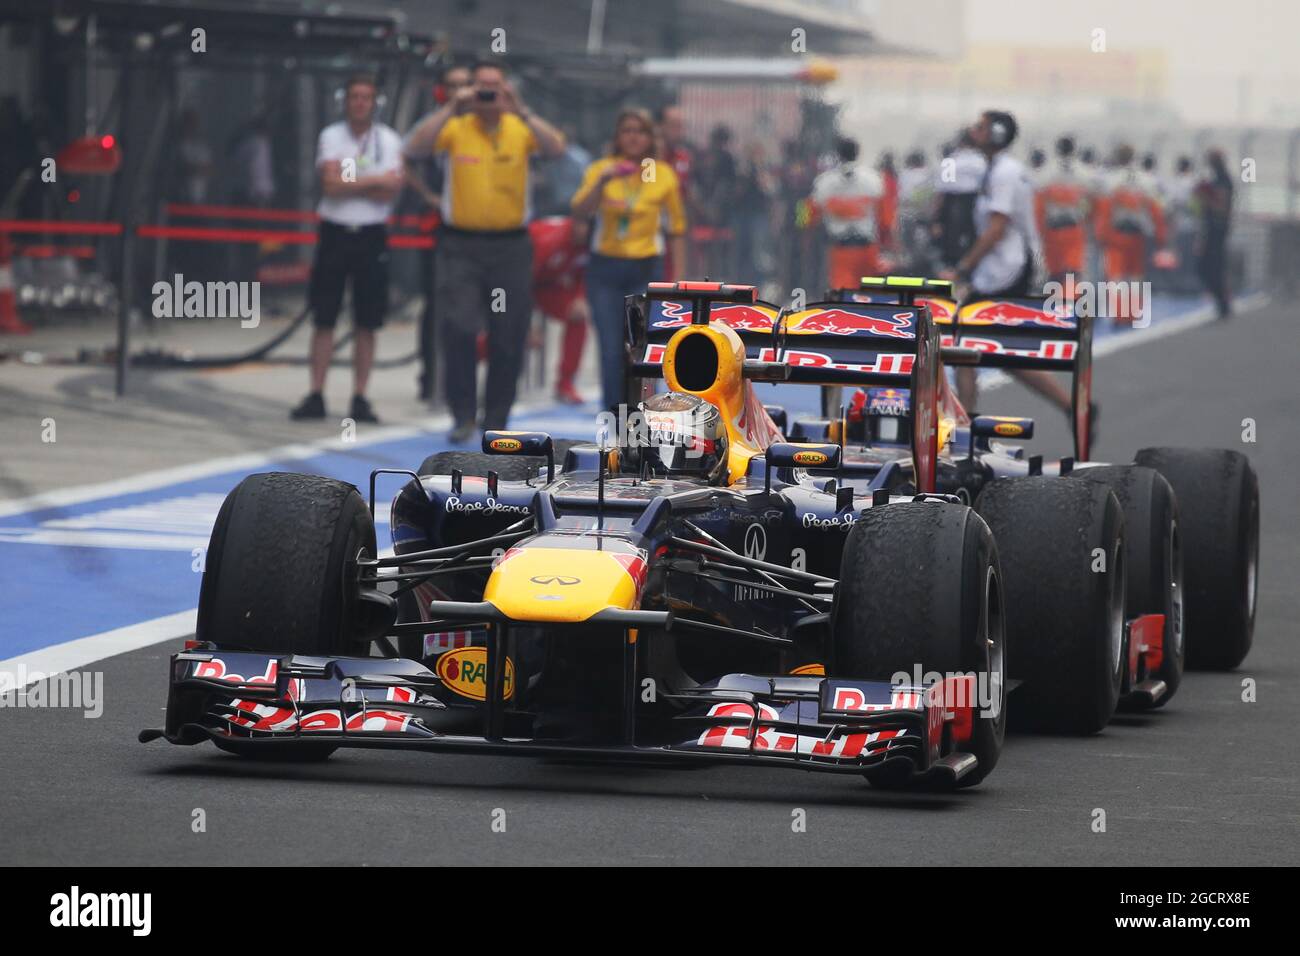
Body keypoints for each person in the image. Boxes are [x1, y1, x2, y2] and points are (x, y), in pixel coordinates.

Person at [404, 60, 565, 441]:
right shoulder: (456, 127)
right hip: (460, 245)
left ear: (506, 89)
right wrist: (451, 106)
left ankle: (496, 418)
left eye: (495, 87)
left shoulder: (519, 128)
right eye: (481, 86)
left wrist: (521, 108)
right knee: (458, 327)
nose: (488, 94)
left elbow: (556, 148)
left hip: (509, 248)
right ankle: (462, 414)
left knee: (508, 332)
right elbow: (415, 147)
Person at [291, 74, 404, 423]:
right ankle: (316, 392)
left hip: (371, 235)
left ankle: (360, 395)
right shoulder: (331, 136)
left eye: (366, 97)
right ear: (346, 100)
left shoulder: (388, 140)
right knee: (324, 315)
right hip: (335, 233)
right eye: (354, 97)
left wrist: (350, 179)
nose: (359, 103)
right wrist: (371, 180)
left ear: (374, 102)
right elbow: (330, 186)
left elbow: (390, 189)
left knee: (366, 320)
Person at [946, 110, 1071, 420]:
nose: (974, 131)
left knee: (964, 340)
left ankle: (964, 424)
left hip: (1008, 268)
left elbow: (996, 228)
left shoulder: (1004, 172)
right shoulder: (995, 169)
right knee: (997, 352)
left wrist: (962, 268)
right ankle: (1071, 407)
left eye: (981, 127)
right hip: (1001, 266)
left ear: (997, 134)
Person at [571, 108, 687, 412]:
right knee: (611, 347)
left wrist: (682, 281)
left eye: (640, 131)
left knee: (643, 346)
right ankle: (613, 411)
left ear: (650, 137)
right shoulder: (602, 169)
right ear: (618, 136)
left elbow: (676, 228)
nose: (633, 137)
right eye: (627, 130)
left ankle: (645, 408)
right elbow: (580, 210)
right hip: (606, 268)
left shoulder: (657, 172)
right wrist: (602, 182)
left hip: (645, 267)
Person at [403, 63, 471, 403]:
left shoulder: (483, 124)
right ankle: (431, 378)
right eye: (452, 85)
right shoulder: (435, 124)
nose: (460, 92)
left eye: (465, 85)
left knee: (478, 307)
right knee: (437, 303)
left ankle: (468, 382)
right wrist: (429, 196)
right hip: (439, 226)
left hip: (477, 226)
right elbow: (407, 155)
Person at [1093, 143, 1167, 323]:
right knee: (1135, 275)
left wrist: (1101, 235)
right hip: (1138, 236)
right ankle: (1133, 313)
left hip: (1116, 235)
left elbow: (1104, 210)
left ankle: (1120, 314)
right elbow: (1156, 211)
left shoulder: (1110, 180)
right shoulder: (1146, 179)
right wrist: (1160, 235)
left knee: (1116, 275)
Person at [809, 137, 888, 291]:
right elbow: (885, 216)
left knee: (842, 295)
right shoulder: (873, 179)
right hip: (868, 248)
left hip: (840, 249)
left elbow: (809, 212)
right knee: (869, 294)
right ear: (857, 153)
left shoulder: (824, 182)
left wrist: (800, 227)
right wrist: (887, 242)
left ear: (838, 154)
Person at [529, 214, 590, 404]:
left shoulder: (589, 242)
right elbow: (521, 282)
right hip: (511, 286)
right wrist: (528, 326)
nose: (584, 230)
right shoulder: (549, 243)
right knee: (507, 330)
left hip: (550, 287)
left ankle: (565, 383)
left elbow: (583, 272)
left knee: (578, 317)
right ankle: (476, 352)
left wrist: (580, 297)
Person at [1034, 135, 1090, 282]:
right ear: (1073, 150)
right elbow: (1092, 200)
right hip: (1074, 228)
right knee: (1074, 270)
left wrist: (1039, 231)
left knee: (1055, 272)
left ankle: (1056, 303)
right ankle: (1072, 302)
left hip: (1052, 229)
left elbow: (1039, 204)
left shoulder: (1045, 172)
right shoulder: (1084, 172)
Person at [932, 128, 986, 273]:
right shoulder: (982, 161)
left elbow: (941, 194)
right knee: (974, 246)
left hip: (952, 207)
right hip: (976, 205)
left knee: (951, 250)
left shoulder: (950, 162)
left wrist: (936, 220)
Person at [1196, 148, 1234, 319]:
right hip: (1211, 229)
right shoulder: (1216, 180)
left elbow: (1221, 208)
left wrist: (1206, 196)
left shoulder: (1224, 180)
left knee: (1213, 267)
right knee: (1206, 266)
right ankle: (1222, 302)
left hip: (1218, 230)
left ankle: (1223, 303)